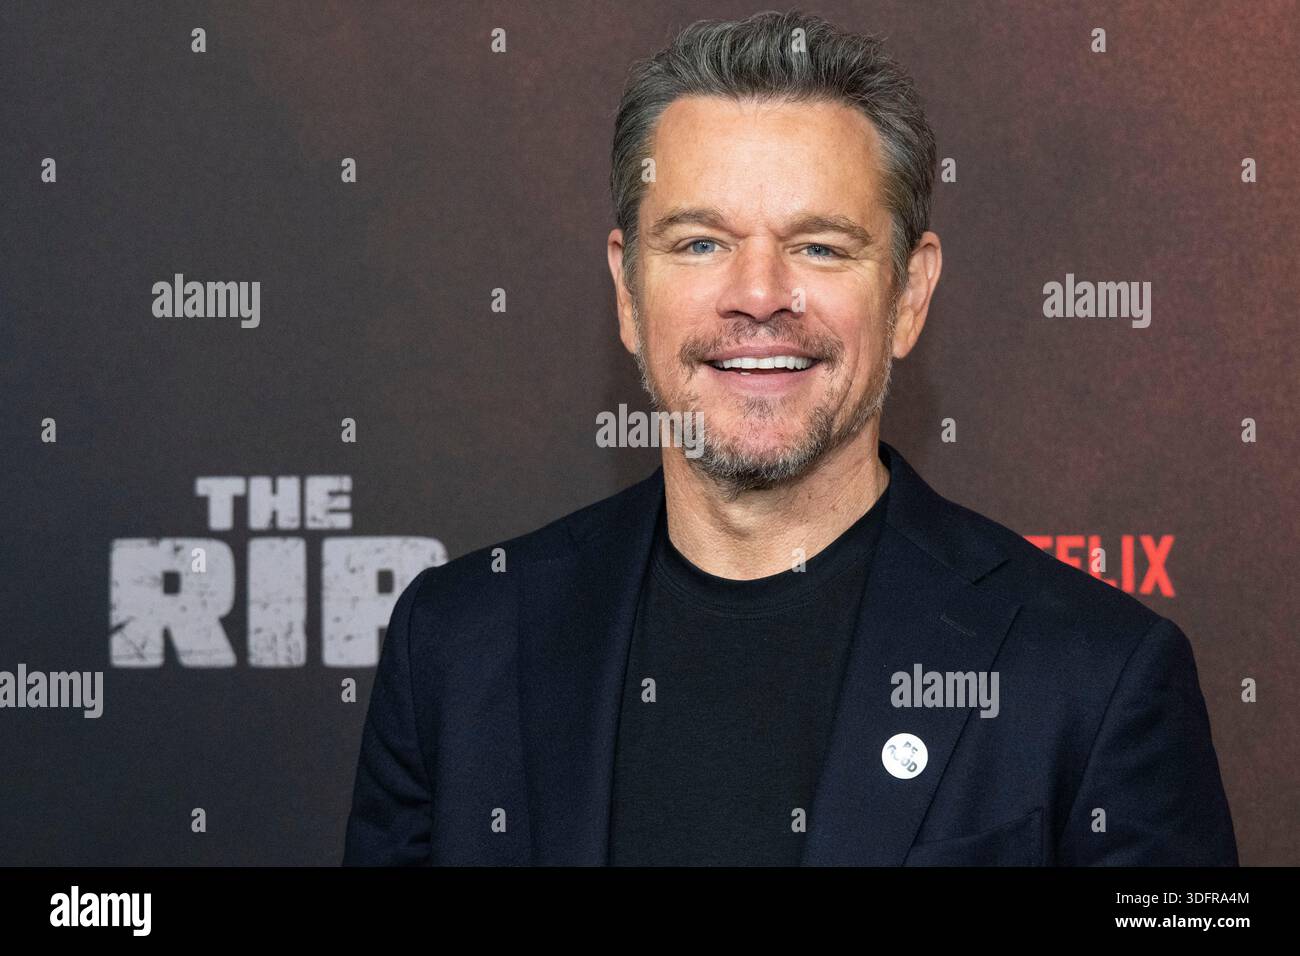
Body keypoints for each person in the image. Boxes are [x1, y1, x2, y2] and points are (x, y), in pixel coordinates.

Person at [343, 10, 1236, 866]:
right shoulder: (459, 648)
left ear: (909, 294)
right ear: (626, 290)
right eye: (698, 244)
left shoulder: (1095, 677)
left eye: (819, 247)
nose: (760, 294)